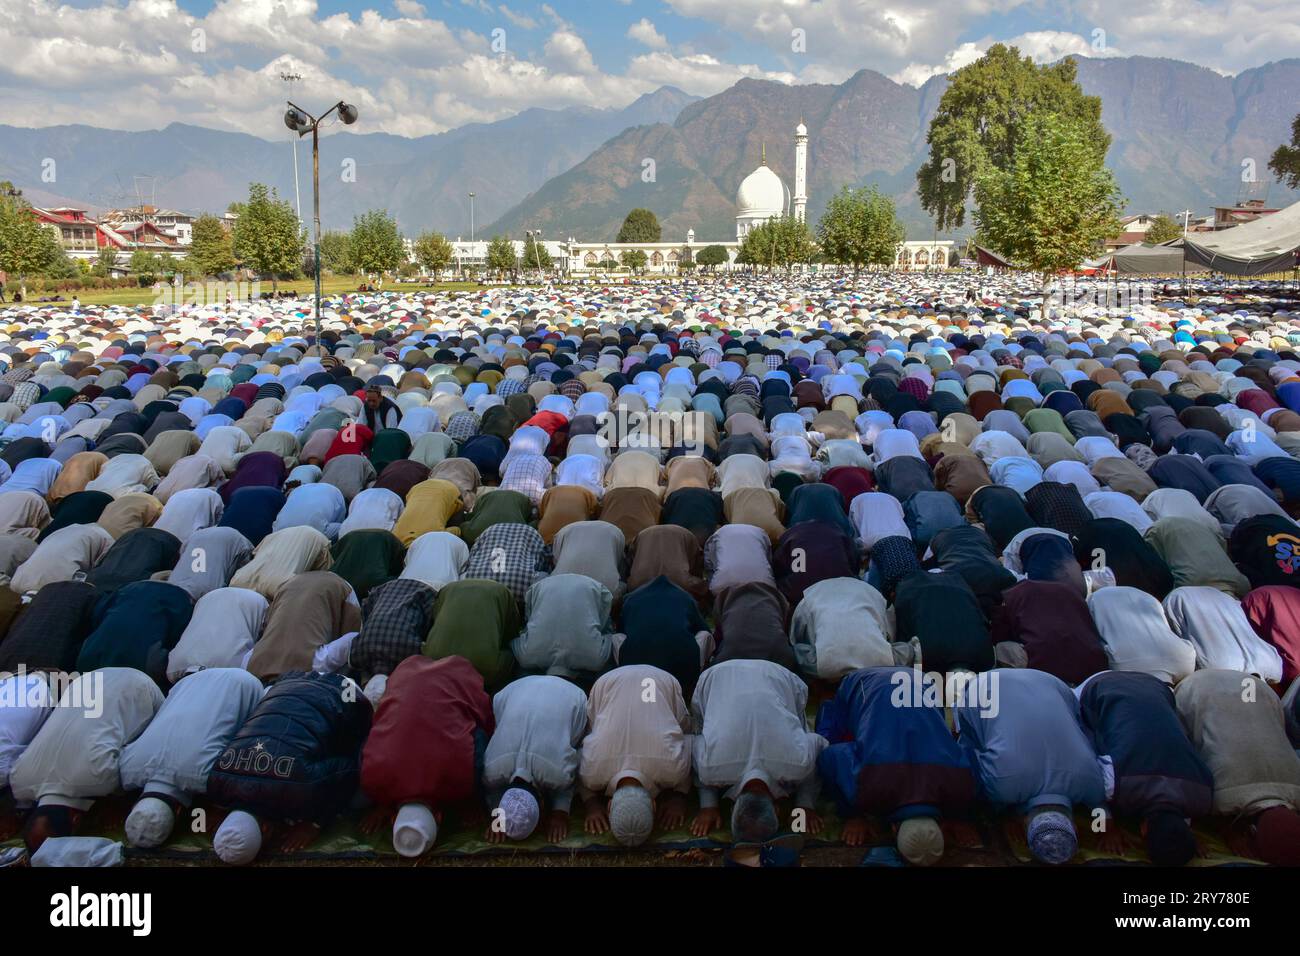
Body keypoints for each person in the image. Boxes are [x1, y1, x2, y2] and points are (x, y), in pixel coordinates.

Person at [207, 671, 372, 863]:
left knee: (358, 799)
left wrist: (315, 823)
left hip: (346, 689)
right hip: (286, 681)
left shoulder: (301, 789)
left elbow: (349, 769)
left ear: (266, 830)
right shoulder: (216, 782)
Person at [817, 666, 977, 864]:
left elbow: (971, 756)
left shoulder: (960, 788)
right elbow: (828, 757)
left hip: (922, 680)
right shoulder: (869, 789)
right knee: (828, 738)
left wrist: (959, 814)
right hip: (861, 683)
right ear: (893, 830)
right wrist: (852, 813)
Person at [955, 668, 1106, 865]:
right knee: (971, 746)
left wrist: (1105, 830)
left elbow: (1102, 814)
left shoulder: (1092, 784)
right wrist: (1008, 815)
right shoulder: (1002, 789)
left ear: (1075, 827)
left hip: (1053, 682)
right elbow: (969, 759)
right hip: (980, 687)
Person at [10, 668, 164, 853]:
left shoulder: (100, 780)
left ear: (75, 821)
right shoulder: (19, 781)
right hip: (85, 681)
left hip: (139, 685)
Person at [360, 655, 493, 857]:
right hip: (411, 669)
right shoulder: (372, 780)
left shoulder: (462, 782)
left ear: (439, 817)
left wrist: (470, 800)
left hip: (452, 674)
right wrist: (382, 801)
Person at [1077, 670, 1213, 865]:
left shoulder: (1202, 795)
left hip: (1156, 686)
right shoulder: (1117, 784)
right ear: (1142, 830)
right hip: (1098, 686)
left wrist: (1183, 838)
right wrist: (1105, 829)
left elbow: (1185, 811)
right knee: (1084, 734)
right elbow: (1090, 790)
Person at [120, 668, 266, 848]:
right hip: (187, 683)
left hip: (243, 684)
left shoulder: (206, 777)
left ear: (180, 810)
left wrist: (218, 808)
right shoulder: (127, 770)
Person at [689, 658, 827, 843]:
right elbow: (820, 745)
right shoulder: (710, 768)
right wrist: (804, 804)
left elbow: (818, 744)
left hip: (755, 675)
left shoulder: (797, 764)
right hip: (766, 673)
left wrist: (708, 806)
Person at [1174, 668, 1300, 864]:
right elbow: (1196, 803)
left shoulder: (1297, 785)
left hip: (1254, 687)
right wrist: (1229, 833)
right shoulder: (1219, 797)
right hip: (1198, 688)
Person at [578, 664, 693, 845]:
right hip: (628, 679)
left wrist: (680, 796)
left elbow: (687, 745)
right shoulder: (593, 773)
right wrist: (679, 797)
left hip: (636, 679)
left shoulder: (672, 770)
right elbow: (687, 735)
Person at [482, 675, 588, 843]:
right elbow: (492, 790)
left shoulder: (557, 773)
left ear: (543, 804)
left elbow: (569, 780)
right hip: (515, 687)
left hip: (573, 696)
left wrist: (560, 812)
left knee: (581, 740)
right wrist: (499, 816)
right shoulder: (491, 770)